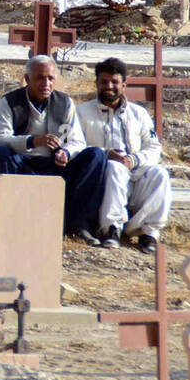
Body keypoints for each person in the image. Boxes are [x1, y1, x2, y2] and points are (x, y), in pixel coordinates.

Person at [0, 55, 109, 243]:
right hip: (22, 163)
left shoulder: (65, 103)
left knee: (96, 155)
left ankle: (78, 224)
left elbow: (77, 141)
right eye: (40, 78)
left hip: (54, 165)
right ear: (27, 79)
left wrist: (66, 152)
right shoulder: (9, 102)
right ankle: (10, 219)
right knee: (1, 154)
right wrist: (33, 141)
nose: (46, 83)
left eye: (50, 78)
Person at [76, 58, 169, 252]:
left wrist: (134, 159)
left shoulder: (139, 114)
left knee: (160, 174)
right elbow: (76, 146)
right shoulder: (82, 112)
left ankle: (148, 233)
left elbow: (154, 147)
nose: (109, 86)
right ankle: (112, 229)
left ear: (124, 85)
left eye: (114, 82)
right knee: (115, 167)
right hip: (105, 176)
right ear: (96, 83)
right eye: (104, 82)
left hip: (135, 171)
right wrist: (106, 154)